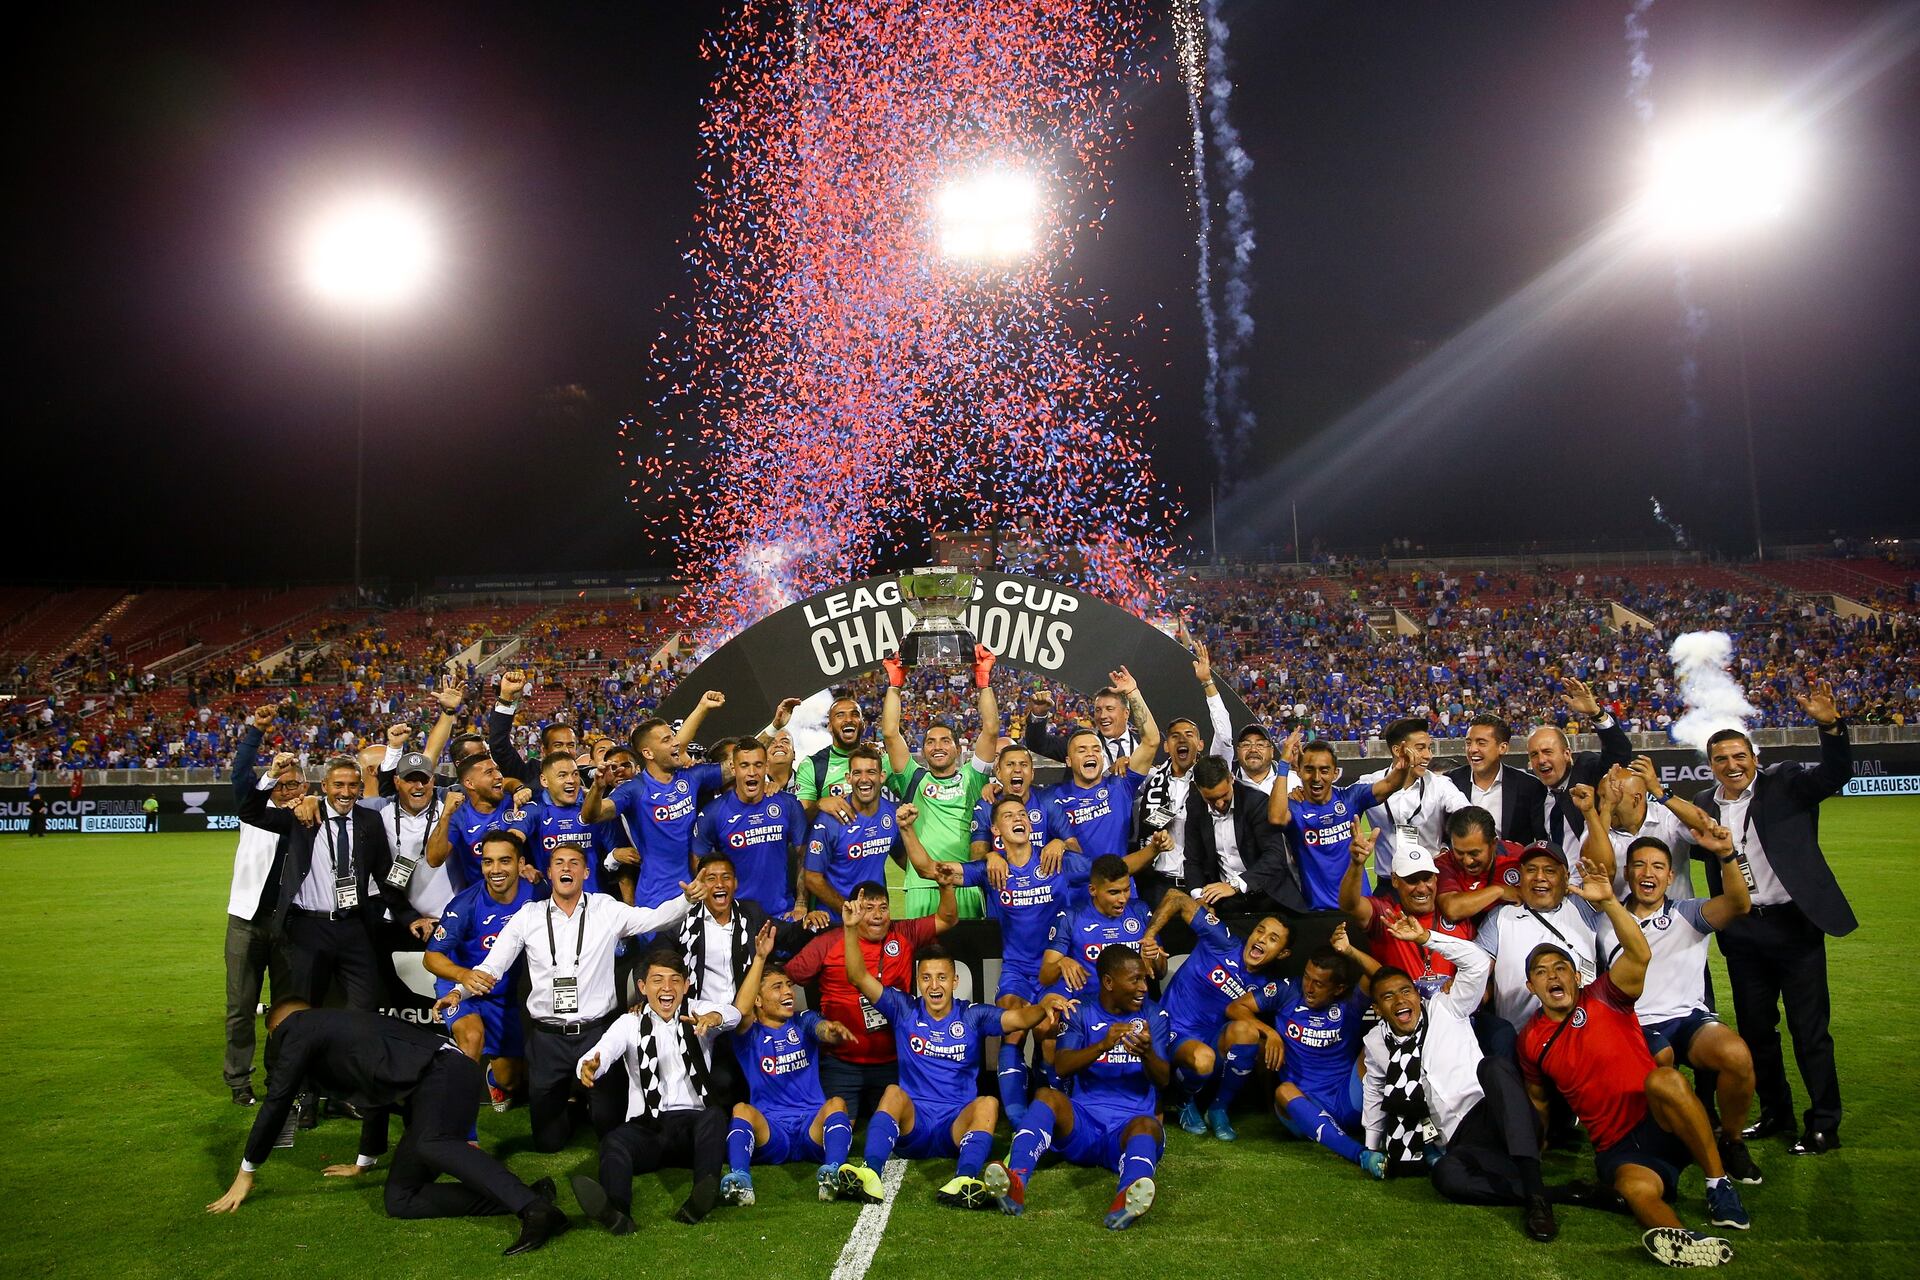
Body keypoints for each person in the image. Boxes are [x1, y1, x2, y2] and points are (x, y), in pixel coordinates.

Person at [1519, 857, 1748, 1267]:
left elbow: (1640, 953)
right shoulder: (1530, 1041)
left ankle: (1718, 1183)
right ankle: (1682, 1240)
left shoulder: (1606, 996)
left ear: (1577, 977)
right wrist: (1534, 1153)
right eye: (1541, 972)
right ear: (1530, 985)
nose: (1553, 976)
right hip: (1616, 1148)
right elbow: (1537, 1099)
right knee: (1638, 1191)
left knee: (1665, 1080)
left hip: (1659, 1121)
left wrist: (1608, 901)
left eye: (1561, 968)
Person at [205, 1001, 569, 1257]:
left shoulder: (297, 1029)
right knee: (400, 1200)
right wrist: (364, 1161)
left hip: (443, 1076)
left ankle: (534, 1209)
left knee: (431, 1142)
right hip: (439, 1081)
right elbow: (374, 1096)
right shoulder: (344, 1035)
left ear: (278, 1027)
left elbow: (278, 1100)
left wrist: (247, 1171)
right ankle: (526, 1194)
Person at [432, 845, 711, 1152]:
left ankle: (590, 1107)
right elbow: (491, 967)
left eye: (574, 863)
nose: (567, 868)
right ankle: (573, 1108)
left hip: (597, 1034)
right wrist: (459, 991)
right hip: (547, 1039)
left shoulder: (606, 909)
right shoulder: (529, 916)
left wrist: (686, 899)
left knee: (610, 1132)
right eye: (559, 863)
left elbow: (655, 918)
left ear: (585, 873)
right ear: (549, 873)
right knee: (548, 1143)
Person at [1692, 682, 1854, 1155]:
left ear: (1753, 756)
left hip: (1794, 927)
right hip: (1743, 933)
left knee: (1810, 1031)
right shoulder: (1704, 805)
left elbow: (1837, 772)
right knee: (1757, 1031)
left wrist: (1830, 726)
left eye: (1739, 756)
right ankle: (1776, 1111)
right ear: (1711, 765)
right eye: (1721, 759)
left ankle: (1823, 1121)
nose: (1732, 765)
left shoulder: (1785, 782)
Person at [1363, 915, 1572, 1245]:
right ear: (1377, 1008)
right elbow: (1374, 1091)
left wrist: (1425, 938)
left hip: (1499, 1115)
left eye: (1406, 991)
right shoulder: (1376, 1042)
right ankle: (1554, 1194)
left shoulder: (1447, 1007)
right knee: (1445, 1177)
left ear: (1418, 994)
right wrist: (1372, 1147)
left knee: (1493, 1068)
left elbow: (1476, 961)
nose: (1401, 1000)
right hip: (1460, 1140)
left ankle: (1536, 1201)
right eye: (1389, 997)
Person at [837, 921, 1066, 1209]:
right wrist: (849, 930)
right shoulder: (902, 1008)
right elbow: (857, 976)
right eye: (927, 978)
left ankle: (964, 1179)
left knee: (988, 1103)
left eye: (942, 977)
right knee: (893, 1092)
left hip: (955, 1128)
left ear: (955, 981)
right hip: (914, 1125)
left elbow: (1017, 1020)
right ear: (918, 982)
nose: (935, 986)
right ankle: (870, 1172)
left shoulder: (972, 1015)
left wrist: (1042, 1007)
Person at [1599, 831, 1763, 1184]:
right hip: (1634, 1023)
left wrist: (1727, 855)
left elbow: (1738, 903)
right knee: (1662, 1060)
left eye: (1658, 866)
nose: (1649, 873)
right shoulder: (1604, 918)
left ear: (1670, 877)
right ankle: (1671, 1143)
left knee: (1737, 1055)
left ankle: (1731, 1141)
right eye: (1640, 865)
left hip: (1689, 1019)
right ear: (1627, 873)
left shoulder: (1687, 914)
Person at [984, 947, 1171, 1230]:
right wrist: (1101, 1045)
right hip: (1083, 1124)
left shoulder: (1154, 1016)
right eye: (1135, 980)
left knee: (1147, 1126)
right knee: (1047, 1095)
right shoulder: (1080, 1011)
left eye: (1144, 980)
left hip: (1128, 1128)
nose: (1144, 988)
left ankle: (1128, 1195)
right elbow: (1061, 1066)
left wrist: (1147, 1054)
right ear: (1109, 982)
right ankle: (1015, 1180)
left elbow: (1164, 1080)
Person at [569, 948, 742, 1232]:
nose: (667, 988)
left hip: (692, 1128)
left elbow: (733, 1013)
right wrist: (589, 1067)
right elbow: (603, 1051)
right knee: (614, 1142)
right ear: (642, 987)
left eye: (675, 980)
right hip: (648, 1127)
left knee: (714, 1118)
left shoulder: (697, 1014)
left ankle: (701, 1197)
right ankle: (616, 1211)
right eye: (657, 980)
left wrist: (714, 1017)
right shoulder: (630, 1022)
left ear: (686, 986)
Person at [237, 753, 413, 1011]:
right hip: (307, 928)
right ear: (325, 787)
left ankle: (355, 1051)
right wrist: (272, 776)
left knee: (365, 1007)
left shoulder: (369, 821)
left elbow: (384, 876)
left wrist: (410, 916)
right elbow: (249, 813)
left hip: (354, 926)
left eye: (353, 785)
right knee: (305, 1009)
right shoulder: (301, 816)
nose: (346, 792)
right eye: (339, 785)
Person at [784, 876, 959, 1120]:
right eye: (868, 908)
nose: (878, 915)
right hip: (841, 1063)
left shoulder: (903, 933)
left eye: (883, 908)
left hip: (894, 1060)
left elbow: (947, 918)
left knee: (897, 1129)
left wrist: (946, 886)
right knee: (837, 1129)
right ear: (853, 909)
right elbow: (785, 977)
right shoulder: (827, 944)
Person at [720, 922, 858, 1205]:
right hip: (772, 1128)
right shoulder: (747, 1033)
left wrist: (830, 1030)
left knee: (837, 1104)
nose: (788, 992)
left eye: (789, 986)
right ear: (758, 999)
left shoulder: (803, 1020)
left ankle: (832, 1173)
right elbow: (742, 1010)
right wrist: (759, 958)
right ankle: (740, 1180)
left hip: (811, 1125)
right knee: (741, 1110)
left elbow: (820, 1029)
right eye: (777, 987)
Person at [1230, 924, 1383, 1175]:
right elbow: (1236, 1008)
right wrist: (1269, 1033)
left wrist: (1349, 950)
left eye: (1319, 984)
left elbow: (1380, 975)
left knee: (1373, 1049)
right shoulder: (1287, 991)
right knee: (1284, 1090)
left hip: (1348, 1098)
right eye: (1307, 978)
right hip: (1303, 1105)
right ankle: (1359, 1154)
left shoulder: (1350, 1002)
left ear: (1339, 988)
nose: (1309, 988)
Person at [1142, 887, 1290, 1140]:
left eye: (1273, 939)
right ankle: (1184, 1100)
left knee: (1247, 1032)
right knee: (1203, 1058)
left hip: (1214, 1040)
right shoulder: (1223, 940)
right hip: (1175, 1031)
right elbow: (1174, 897)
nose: (1262, 939)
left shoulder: (1267, 985)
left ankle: (1219, 1108)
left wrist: (1270, 1035)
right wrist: (1149, 937)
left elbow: (1242, 1015)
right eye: (1260, 930)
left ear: (1283, 953)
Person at [423, 830, 539, 1113]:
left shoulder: (537, 892)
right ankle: (461, 1133)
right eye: (488, 862)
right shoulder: (464, 905)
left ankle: (495, 1080)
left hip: (503, 995)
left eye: (504, 861)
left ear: (520, 864)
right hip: (463, 988)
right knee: (472, 1038)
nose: (495, 870)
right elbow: (431, 957)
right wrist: (463, 976)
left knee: (510, 1079)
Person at [879, 645, 999, 918]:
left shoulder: (972, 777)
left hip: (965, 882)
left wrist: (983, 682)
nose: (937, 746)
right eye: (930, 742)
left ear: (958, 749)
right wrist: (895, 684)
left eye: (945, 740)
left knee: (969, 959)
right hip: (922, 885)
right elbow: (889, 733)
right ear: (923, 752)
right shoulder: (913, 777)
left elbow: (991, 730)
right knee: (925, 960)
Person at [581, 699, 732, 910]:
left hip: (698, 893)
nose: (676, 743)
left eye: (673, 737)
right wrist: (597, 787)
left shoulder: (692, 777)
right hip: (655, 900)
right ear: (648, 753)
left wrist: (774, 728)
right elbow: (592, 816)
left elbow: (743, 766)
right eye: (667, 740)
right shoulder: (634, 790)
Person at [224, 706, 299, 1105]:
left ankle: (282, 1078)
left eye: (295, 784)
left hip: (290, 926)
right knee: (239, 1007)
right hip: (246, 922)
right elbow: (240, 778)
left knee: (287, 1009)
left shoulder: (311, 819)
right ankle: (238, 1081)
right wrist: (256, 731)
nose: (289, 791)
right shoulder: (256, 813)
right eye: (281, 785)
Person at [1265, 739, 1408, 910]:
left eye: (1324, 770)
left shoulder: (1350, 798)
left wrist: (1404, 766)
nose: (1317, 778)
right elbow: (1276, 818)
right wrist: (1284, 765)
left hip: (1360, 907)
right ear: (1299, 772)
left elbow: (1389, 784)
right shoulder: (1295, 808)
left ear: (1335, 773)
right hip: (1318, 912)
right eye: (1309, 770)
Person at [1338, 826, 1475, 996]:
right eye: (1412, 880)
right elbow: (1350, 905)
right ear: (1395, 880)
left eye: (1427, 878)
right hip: (1403, 1014)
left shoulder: (1455, 913)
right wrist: (1356, 865)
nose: (1422, 888)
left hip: (1451, 1013)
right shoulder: (1384, 913)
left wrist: (1463, 982)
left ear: (1436, 877)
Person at [1041, 667, 1163, 857]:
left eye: (1096, 749)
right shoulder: (1051, 797)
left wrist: (1132, 693)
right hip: (1075, 884)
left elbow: (1152, 740)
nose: (1090, 754)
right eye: (1082, 750)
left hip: (1117, 879)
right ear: (1068, 760)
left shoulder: (1120, 785)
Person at [694, 738, 811, 920]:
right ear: (733, 769)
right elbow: (698, 860)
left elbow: (805, 855)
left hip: (783, 914)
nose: (751, 773)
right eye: (744, 765)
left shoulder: (787, 804)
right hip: (736, 918)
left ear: (766, 767)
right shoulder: (713, 812)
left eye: (758, 765)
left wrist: (801, 903)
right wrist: (715, 906)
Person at [1525, 675, 1634, 859]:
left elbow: (1620, 752)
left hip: (1597, 881)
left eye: (1548, 751)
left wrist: (1596, 713)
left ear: (1567, 754)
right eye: (1534, 754)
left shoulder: (1587, 772)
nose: (1541, 760)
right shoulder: (1537, 799)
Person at [1356, 717, 1470, 882]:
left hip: (1429, 883)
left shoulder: (1441, 785)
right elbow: (1336, 803)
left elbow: (1467, 813)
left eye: (1429, 748)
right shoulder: (1369, 783)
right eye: (1420, 748)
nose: (1428, 756)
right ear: (1398, 750)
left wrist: (1449, 847)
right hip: (1389, 885)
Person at [1039, 854, 1164, 1002]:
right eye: (1114, 892)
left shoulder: (1140, 911)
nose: (1123, 899)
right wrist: (1060, 963)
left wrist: (1155, 956)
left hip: (1133, 1006)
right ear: (1093, 890)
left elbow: (1161, 972)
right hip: (1087, 1007)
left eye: (1126, 890)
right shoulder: (1070, 917)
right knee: (1047, 1023)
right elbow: (1045, 977)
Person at [801, 746, 903, 922]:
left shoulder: (891, 814)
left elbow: (903, 858)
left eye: (871, 772)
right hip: (836, 922)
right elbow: (812, 878)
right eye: (857, 773)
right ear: (848, 778)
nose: (864, 779)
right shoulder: (829, 820)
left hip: (874, 922)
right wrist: (849, 911)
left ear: (882, 776)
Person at [427, 753, 530, 894]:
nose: (499, 775)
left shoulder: (515, 803)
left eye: (497, 769)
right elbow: (433, 859)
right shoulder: (459, 817)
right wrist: (445, 814)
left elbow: (509, 782)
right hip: (483, 897)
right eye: (489, 772)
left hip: (524, 890)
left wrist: (518, 787)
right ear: (470, 783)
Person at [1446, 713, 1546, 845]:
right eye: (1468, 743)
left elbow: (1541, 840)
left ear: (1502, 748)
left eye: (1481, 743)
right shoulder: (1450, 782)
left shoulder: (1529, 786)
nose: (1472, 749)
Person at [1434, 805, 1526, 926]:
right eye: (1459, 852)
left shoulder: (1519, 858)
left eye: (1474, 853)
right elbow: (1452, 909)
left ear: (1493, 844)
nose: (1467, 861)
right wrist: (1499, 891)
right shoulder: (1444, 864)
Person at [1023, 681, 1141, 771]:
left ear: (1126, 713)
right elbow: (1040, 745)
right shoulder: (1078, 741)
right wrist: (1039, 714)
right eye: (1098, 710)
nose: (1103, 715)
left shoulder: (1149, 743)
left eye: (1110, 709)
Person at [795, 694, 866, 817]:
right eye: (840, 715)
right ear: (830, 727)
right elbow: (801, 818)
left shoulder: (881, 759)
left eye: (855, 714)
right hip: (834, 835)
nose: (848, 719)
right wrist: (819, 805)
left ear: (863, 725)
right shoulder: (812, 765)